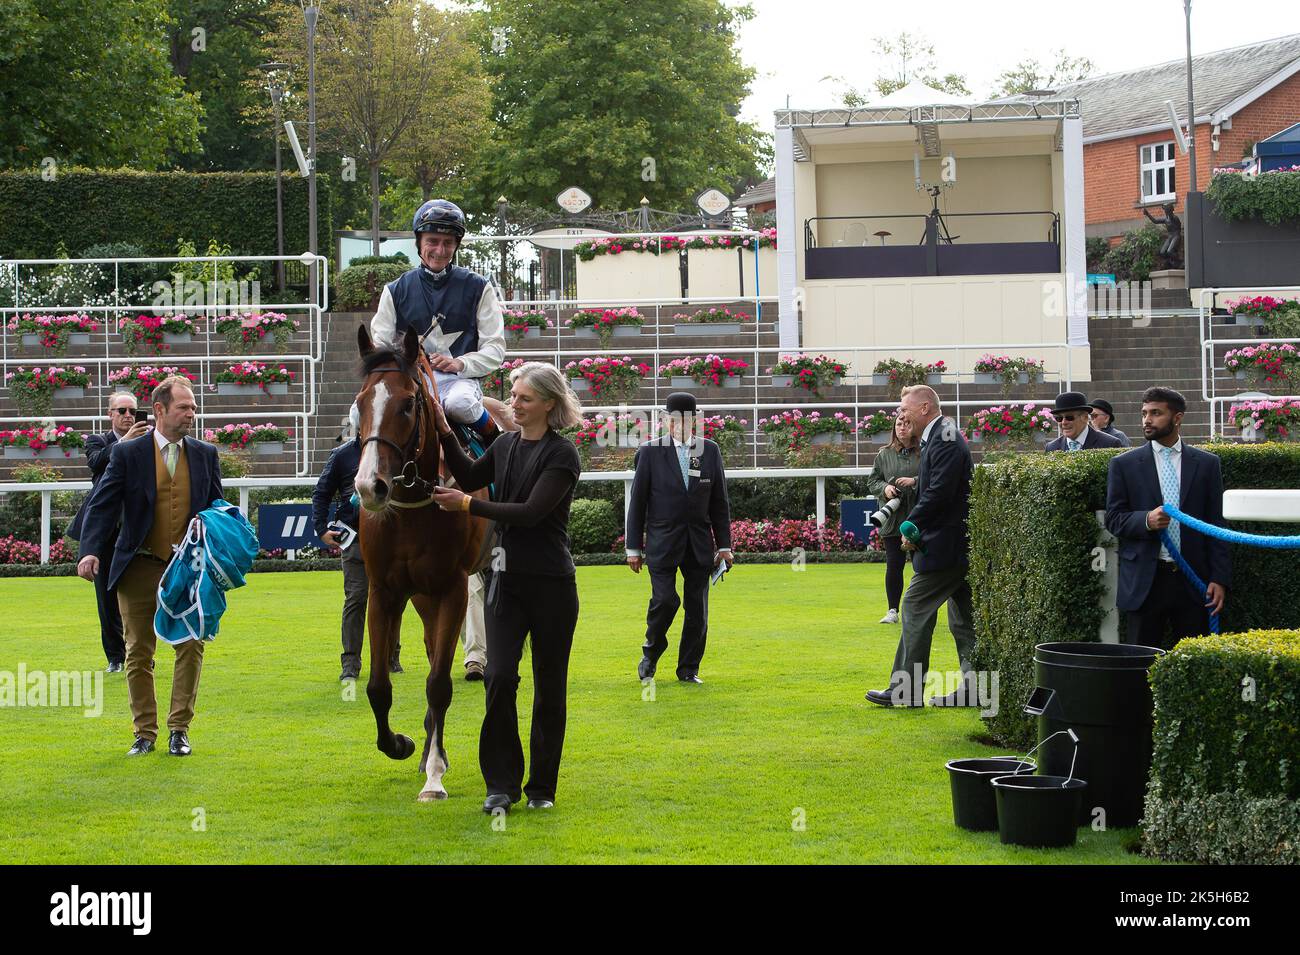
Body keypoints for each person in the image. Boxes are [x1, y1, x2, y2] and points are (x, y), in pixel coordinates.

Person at [429, 362, 584, 814]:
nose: (513, 403)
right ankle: (500, 785)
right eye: (513, 395)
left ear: (549, 405)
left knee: (549, 687)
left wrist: (468, 505)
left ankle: (541, 789)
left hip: (553, 585)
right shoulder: (503, 446)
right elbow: (467, 472)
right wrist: (442, 430)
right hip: (505, 582)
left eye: (524, 398)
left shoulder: (562, 455)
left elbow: (532, 512)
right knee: (498, 678)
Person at [75, 377, 224, 757]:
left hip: (187, 569)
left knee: (190, 646)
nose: (191, 413)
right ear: (159, 410)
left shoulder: (206, 453)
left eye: (192, 407)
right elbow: (103, 504)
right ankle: (144, 733)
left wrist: (220, 545)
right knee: (138, 651)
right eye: (184, 407)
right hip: (137, 565)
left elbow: (217, 508)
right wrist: (89, 551)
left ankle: (179, 729)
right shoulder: (127, 454)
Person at [865, 386, 977, 708]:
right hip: (957, 545)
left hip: (945, 547)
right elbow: (941, 487)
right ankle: (976, 690)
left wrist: (911, 525)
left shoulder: (943, 436)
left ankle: (905, 693)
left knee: (914, 607)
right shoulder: (943, 434)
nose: (901, 414)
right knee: (964, 621)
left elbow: (939, 494)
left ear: (925, 407)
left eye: (905, 407)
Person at [371, 199, 506, 443]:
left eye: (448, 243)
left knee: (461, 404)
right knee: (357, 414)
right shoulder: (395, 290)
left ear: (456, 245)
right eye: (432, 241)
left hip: (459, 382)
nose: (440, 250)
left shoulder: (478, 287)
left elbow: (495, 348)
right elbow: (380, 345)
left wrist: (459, 364)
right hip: (408, 382)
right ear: (419, 242)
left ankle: (501, 450)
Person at [1105, 386, 1230, 649]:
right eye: (1144, 413)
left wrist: (1219, 578)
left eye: (1156, 413)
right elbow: (1114, 519)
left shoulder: (1207, 464)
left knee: (1195, 665)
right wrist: (1146, 520)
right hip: (1144, 583)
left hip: (1194, 582)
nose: (1147, 420)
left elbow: (1217, 524)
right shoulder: (1123, 465)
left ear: (1177, 417)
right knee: (1140, 667)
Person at [625, 393, 734, 684]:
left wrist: (724, 546)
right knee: (665, 600)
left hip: (699, 543)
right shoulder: (649, 452)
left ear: (695, 420)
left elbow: (719, 503)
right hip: (662, 541)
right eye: (674, 419)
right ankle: (651, 653)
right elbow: (637, 503)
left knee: (697, 610)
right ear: (666, 420)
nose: (680, 424)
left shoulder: (709, 451)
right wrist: (633, 548)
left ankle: (688, 669)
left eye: (686, 419)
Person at [312, 406, 401, 680]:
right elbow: (322, 493)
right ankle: (350, 663)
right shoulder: (342, 455)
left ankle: (391, 656)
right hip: (355, 538)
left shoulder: (395, 453)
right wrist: (321, 529)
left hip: (391, 540)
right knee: (356, 598)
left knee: (394, 597)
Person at [68, 391, 149, 672]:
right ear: (110, 414)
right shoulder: (98, 441)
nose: (128, 416)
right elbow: (96, 462)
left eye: (133, 411)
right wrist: (126, 442)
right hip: (105, 529)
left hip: (136, 527)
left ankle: (141, 652)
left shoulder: (147, 442)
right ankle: (116, 658)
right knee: (106, 597)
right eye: (122, 411)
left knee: (139, 595)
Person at [865, 413, 920, 625]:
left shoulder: (924, 453)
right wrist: (886, 489)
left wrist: (914, 481)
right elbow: (873, 482)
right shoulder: (883, 454)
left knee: (921, 565)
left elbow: (933, 477)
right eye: (899, 423)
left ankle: (918, 609)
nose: (902, 427)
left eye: (907, 423)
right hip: (892, 518)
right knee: (894, 565)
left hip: (917, 517)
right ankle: (892, 610)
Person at [1044, 391, 1124, 452]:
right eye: (1059, 418)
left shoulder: (1110, 444)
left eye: (1069, 417)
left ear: (1085, 417)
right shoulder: (1051, 448)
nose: (1064, 422)